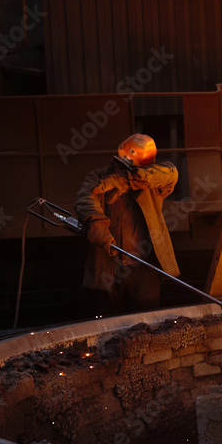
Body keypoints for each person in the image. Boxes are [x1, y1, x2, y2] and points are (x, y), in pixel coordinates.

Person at [74, 133, 180, 316]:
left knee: (146, 324)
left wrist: (126, 180)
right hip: (108, 268)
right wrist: (97, 223)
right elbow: (86, 200)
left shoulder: (151, 180)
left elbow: (171, 173)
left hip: (144, 268)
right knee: (106, 325)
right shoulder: (97, 178)